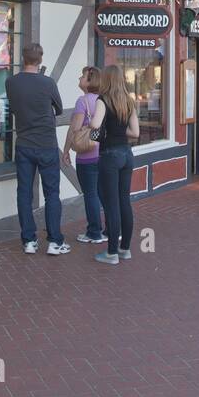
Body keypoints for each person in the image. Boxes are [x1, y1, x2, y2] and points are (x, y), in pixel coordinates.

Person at [4, 42, 69, 255]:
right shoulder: (47, 82)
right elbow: (58, 109)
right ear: (40, 60)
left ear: (24, 59)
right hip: (46, 144)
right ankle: (54, 241)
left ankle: (29, 240)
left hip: (24, 143)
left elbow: (14, 108)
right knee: (52, 194)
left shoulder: (11, 82)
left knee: (24, 193)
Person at [90, 64, 139, 266]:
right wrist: (119, 132)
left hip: (109, 155)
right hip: (127, 154)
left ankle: (111, 253)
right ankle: (124, 249)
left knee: (111, 205)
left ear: (106, 80)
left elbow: (94, 125)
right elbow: (135, 133)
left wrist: (100, 129)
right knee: (124, 201)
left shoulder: (103, 100)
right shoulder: (128, 101)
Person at [63, 66, 104, 245]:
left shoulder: (83, 101)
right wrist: (95, 141)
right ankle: (110, 230)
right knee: (103, 193)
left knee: (90, 194)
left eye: (83, 76)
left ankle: (94, 232)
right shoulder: (104, 100)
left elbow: (75, 129)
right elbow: (100, 127)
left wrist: (65, 150)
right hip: (103, 155)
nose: (79, 78)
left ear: (89, 81)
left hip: (87, 158)